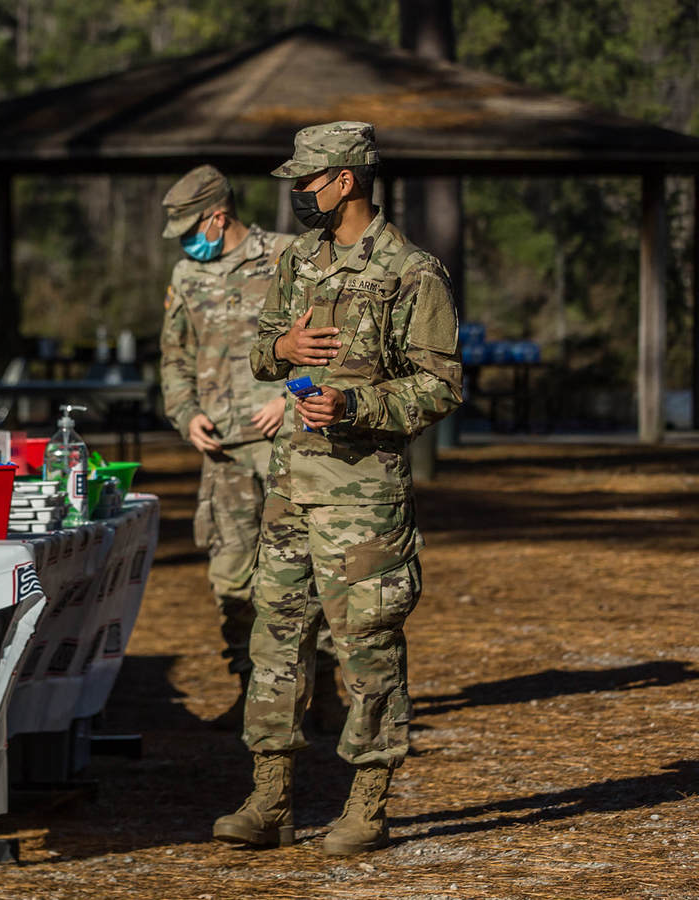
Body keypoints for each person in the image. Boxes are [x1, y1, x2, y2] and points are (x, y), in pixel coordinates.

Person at [215, 122, 462, 855]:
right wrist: (284, 346)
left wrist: (356, 406)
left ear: (345, 180)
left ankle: (368, 807)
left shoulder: (412, 271)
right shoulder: (298, 260)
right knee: (276, 640)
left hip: (363, 501)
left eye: (306, 181)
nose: (297, 193)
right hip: (290, 488)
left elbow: (441, 386)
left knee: (367, 647)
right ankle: (270, 801)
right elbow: (262, 351)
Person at [157, 165, 297, 707]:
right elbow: (175, 356)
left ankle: (319, 697)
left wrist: (291, 397)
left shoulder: (289, 257)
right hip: (224, 455)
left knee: (302, 576)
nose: (186, 243)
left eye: (191, 230)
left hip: (288, 447)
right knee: (232, 581)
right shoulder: (187, 275)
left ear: (218, 217)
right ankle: (251, 698)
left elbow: (332, 342)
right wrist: (186, 413)